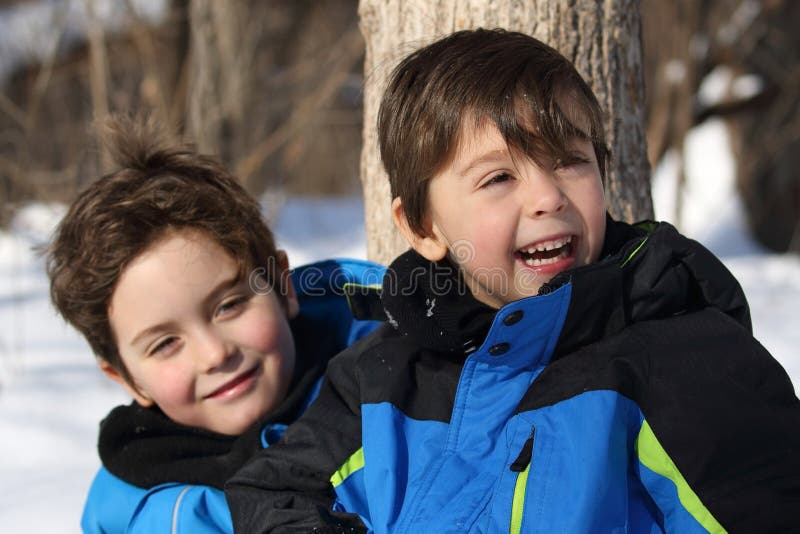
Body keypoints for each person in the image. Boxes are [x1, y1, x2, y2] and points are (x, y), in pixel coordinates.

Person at [225, 28, 800, 533]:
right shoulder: (382, 379)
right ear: (423, 226)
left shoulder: (684, 361)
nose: (548, 196)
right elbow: (274, 492)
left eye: (569, 161)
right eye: (499, 177)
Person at [45, 116, 384, 534]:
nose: (214, 354)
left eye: (229, 306)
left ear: (282, 287)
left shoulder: (398, 382)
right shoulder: (141, 515)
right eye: (165, 344)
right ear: (128, 379)